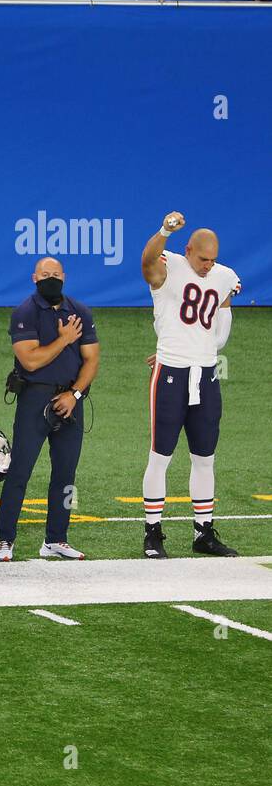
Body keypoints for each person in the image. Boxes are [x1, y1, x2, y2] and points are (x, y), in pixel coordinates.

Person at [139, 211, 240, 558]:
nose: (207, 267)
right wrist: (163, 229)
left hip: (207, 373)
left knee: (205, 457)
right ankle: (152, 532)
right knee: (160, 455)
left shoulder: (223, 275)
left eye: (212, 260)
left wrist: (205, 345)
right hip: (171, 373)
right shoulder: (171, 265)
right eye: (202, 259)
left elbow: (220, 323)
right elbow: (148, 260)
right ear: (188, 249)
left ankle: (203, 532)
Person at [0, 257, 100, 561]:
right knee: (20, 471)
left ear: (64, 277)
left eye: (55, 275)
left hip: (71, 400)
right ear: (34, 278)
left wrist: (75, 394)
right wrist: (64, 338)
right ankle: (5, 539)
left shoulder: (80, 311)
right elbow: (30, 360)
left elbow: (92, 359)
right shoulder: (25, 312)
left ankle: (56, 538)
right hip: (35, 399)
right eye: (45, 275)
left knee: (66, 473)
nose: (50, 279)